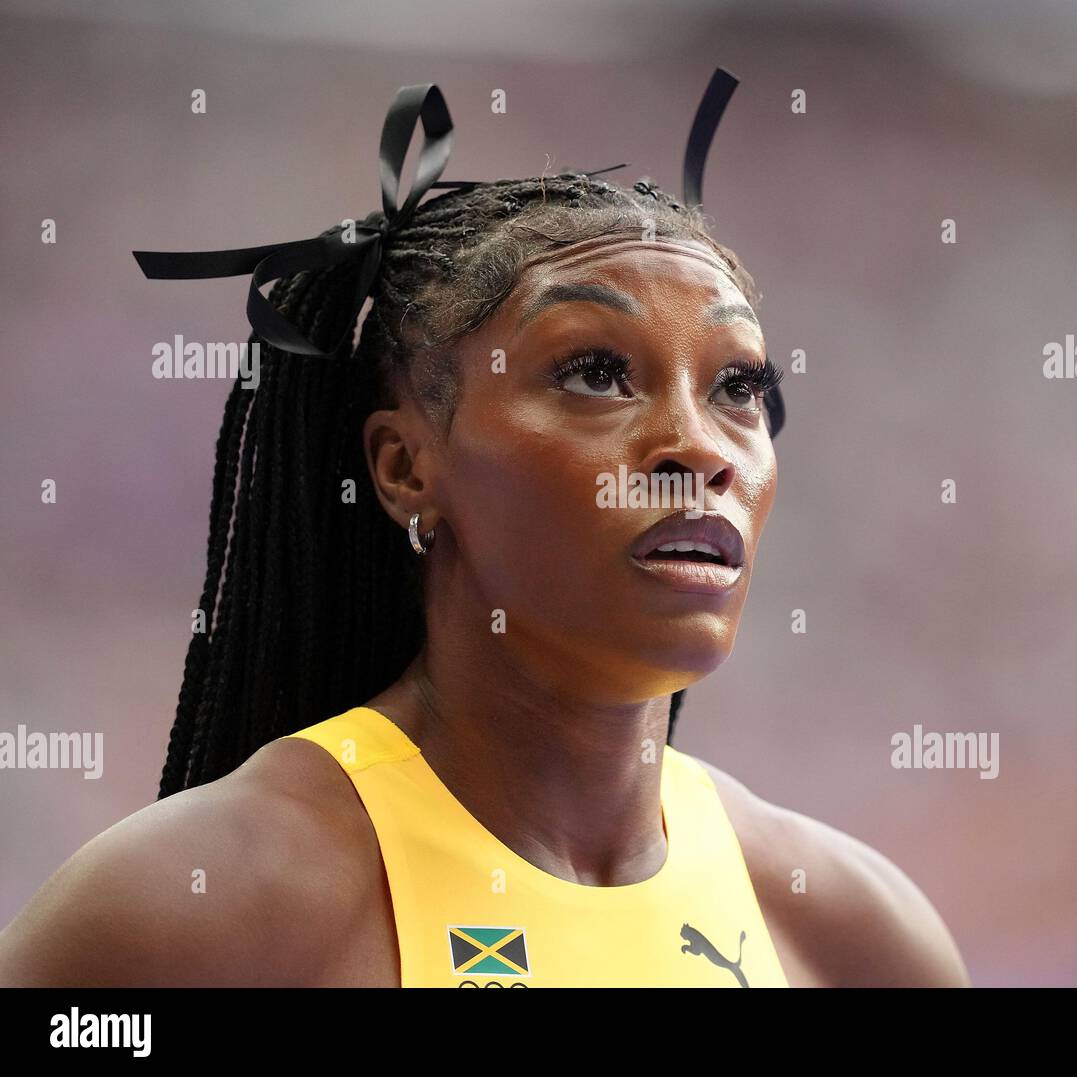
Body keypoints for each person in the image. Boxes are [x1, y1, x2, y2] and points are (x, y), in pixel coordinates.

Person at [0, 76, 969, 988]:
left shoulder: (851, 934)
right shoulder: (189, 917)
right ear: (405, 468)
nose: (698, 447)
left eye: (739, 387)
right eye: (594, 372)